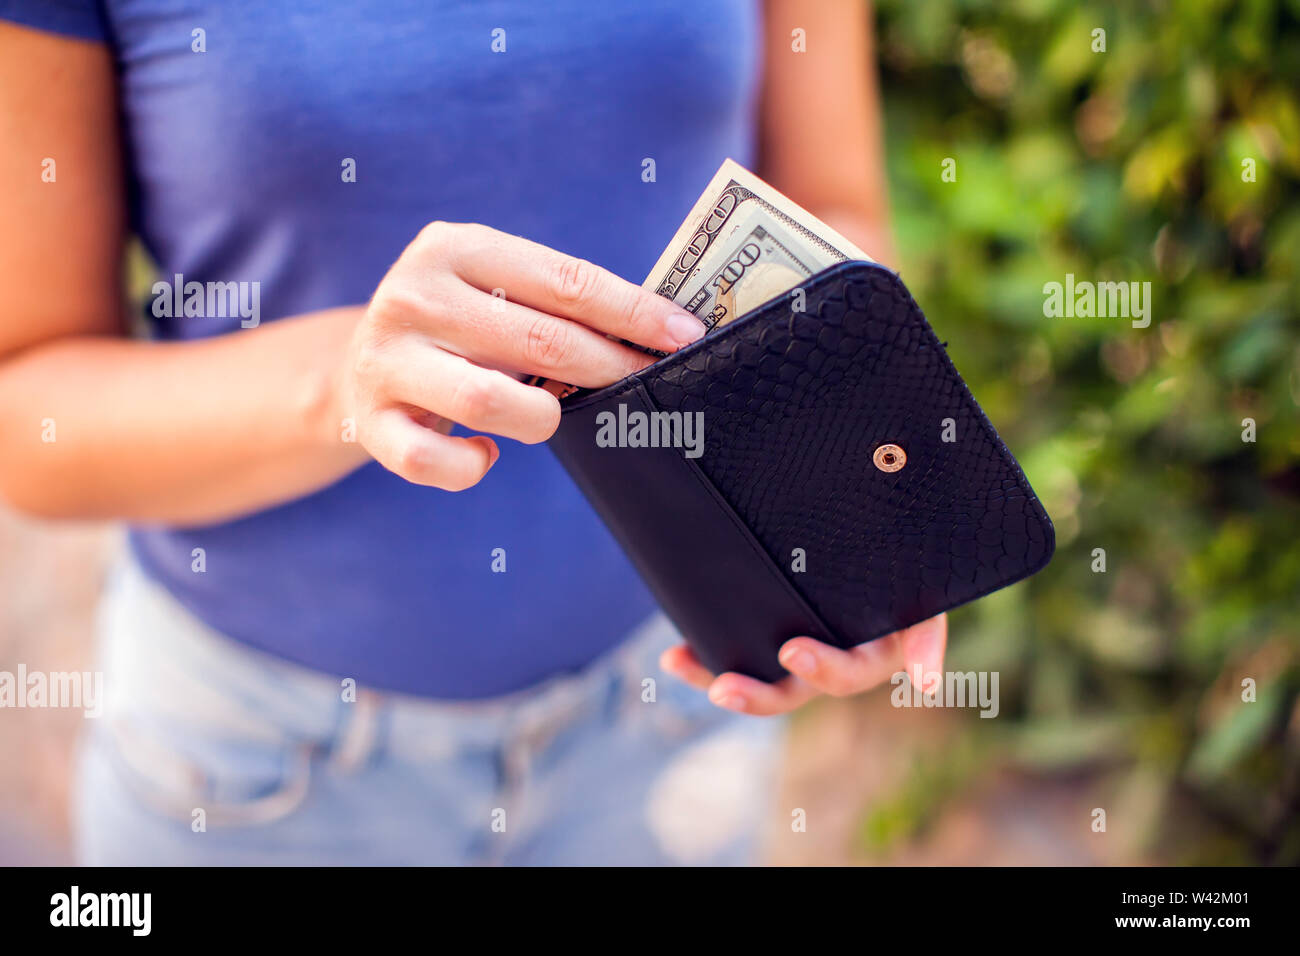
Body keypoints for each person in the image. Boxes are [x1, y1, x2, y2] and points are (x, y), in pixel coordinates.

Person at [0, 0, 946, 864]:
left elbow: (834, 214)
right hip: (261, 769)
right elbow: (27, 414)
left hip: (674, 712)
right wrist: (347, 378)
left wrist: (845, 511)